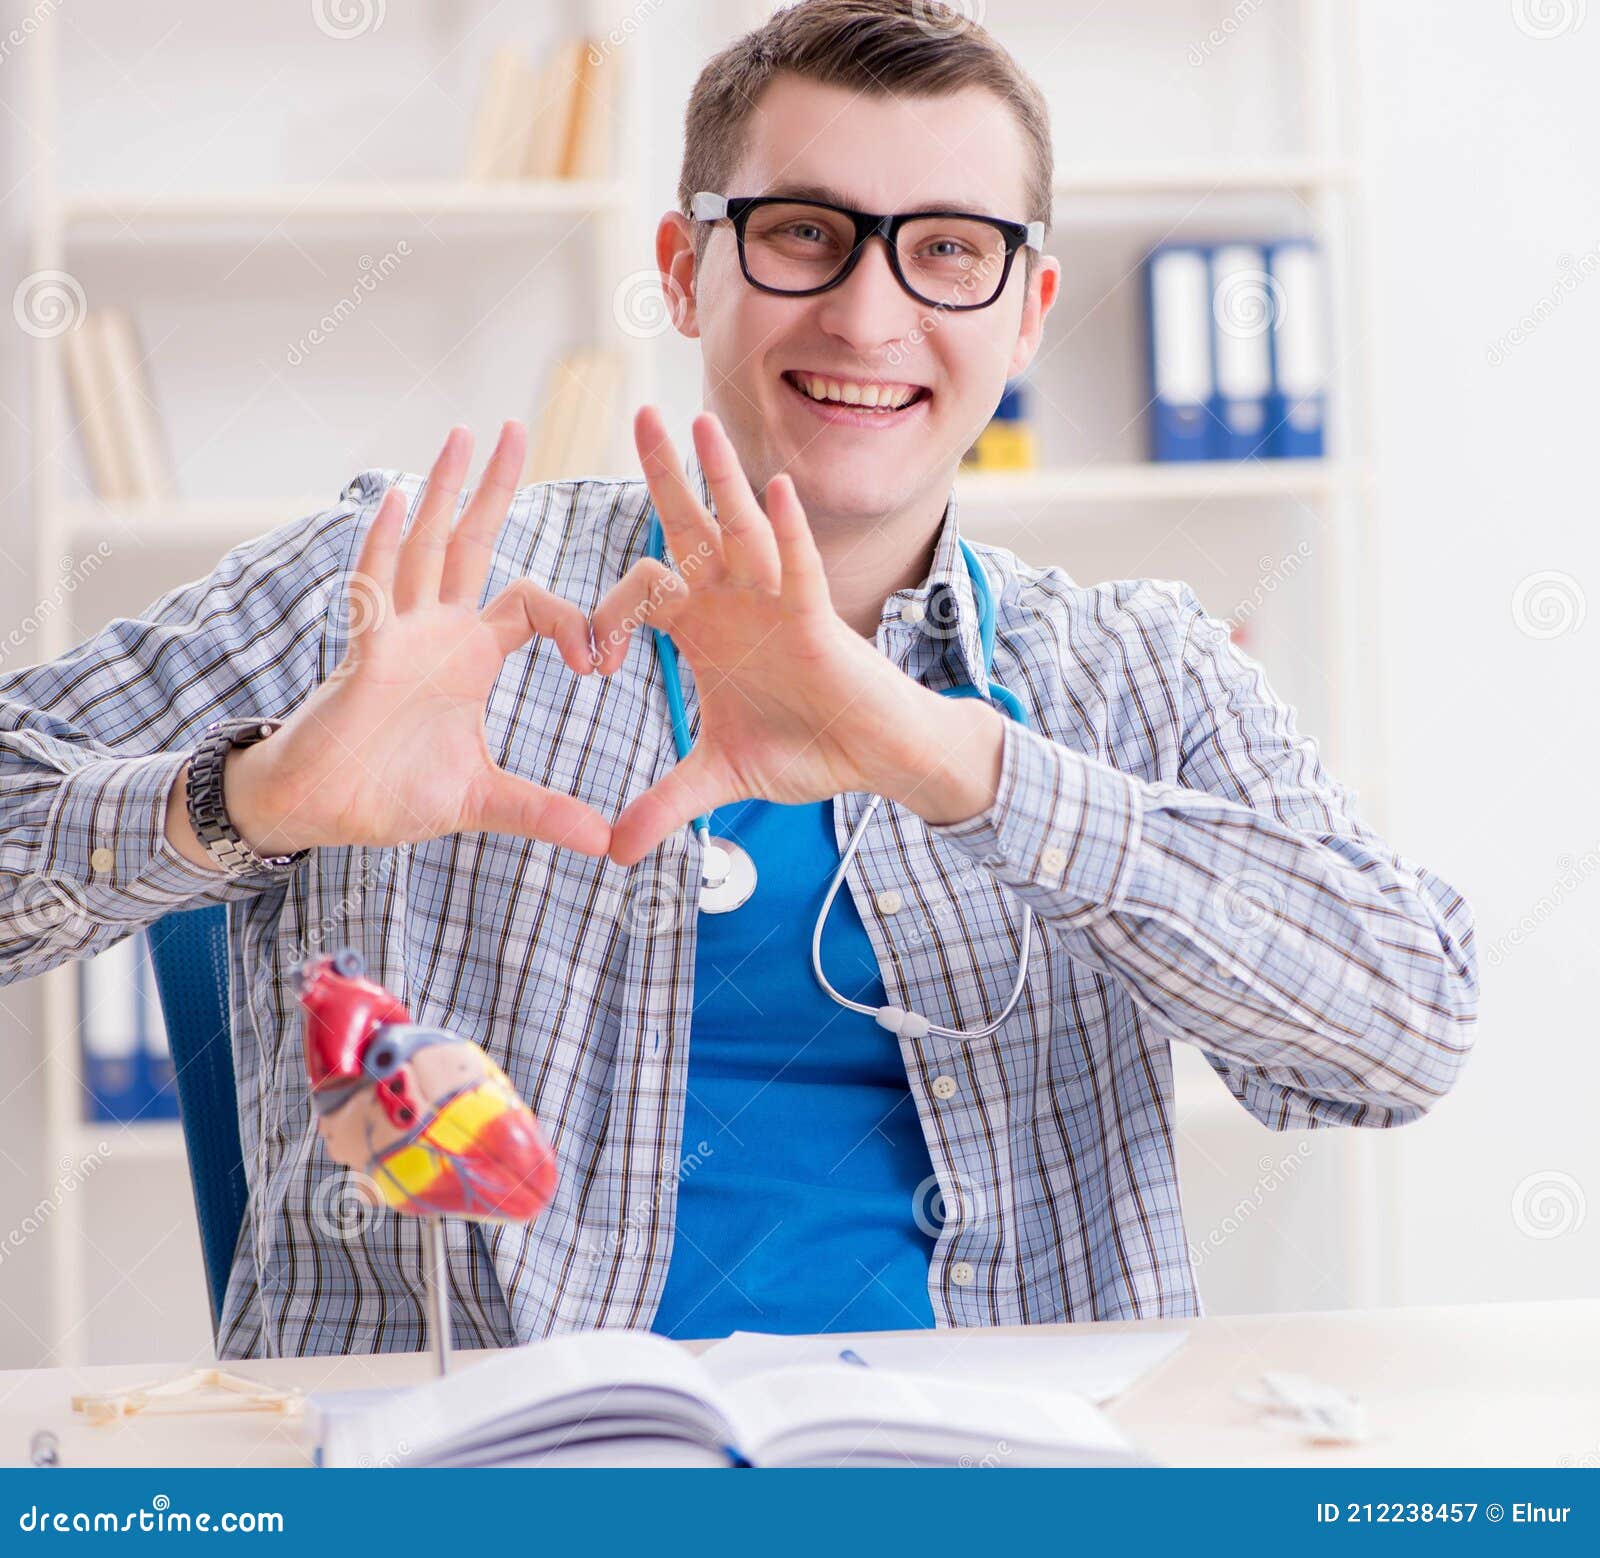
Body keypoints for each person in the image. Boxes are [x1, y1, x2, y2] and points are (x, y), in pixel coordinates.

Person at [0, 0, 1476, 1359]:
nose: (868, 315)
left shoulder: (1130, 667)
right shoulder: (409, 593)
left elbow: (1404, 1032)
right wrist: (246, 797)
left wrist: (960, 762)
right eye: (803, 233)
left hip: (1005, 1483)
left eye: (948, 249)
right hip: (494, 1488)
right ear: (681, 270)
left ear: (1027, 310)